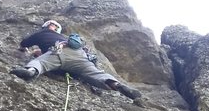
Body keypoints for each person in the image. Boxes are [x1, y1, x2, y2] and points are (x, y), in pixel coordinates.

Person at [10, 20, 142, 100]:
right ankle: (117, 85)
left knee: (40, 62)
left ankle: (31, 71)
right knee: (96, 74)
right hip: (80, 57)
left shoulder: (42, 33)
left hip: (59, 53)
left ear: (46, 26)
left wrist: (25, 50)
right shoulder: (63, 37)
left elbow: (24, 43)